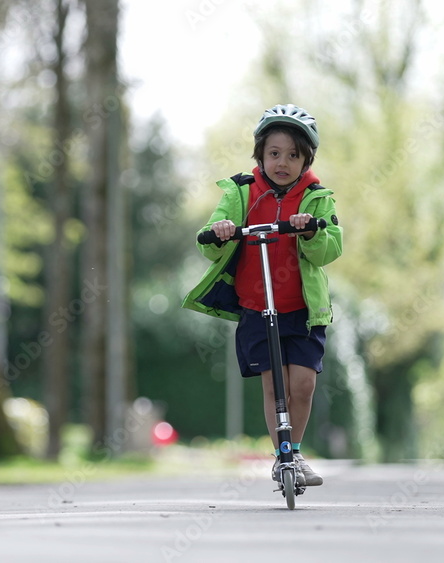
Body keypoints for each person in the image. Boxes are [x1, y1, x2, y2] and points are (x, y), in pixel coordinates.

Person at [182, 104, 343, 486]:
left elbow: (330, 248)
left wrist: (309, 232)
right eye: (274, 153)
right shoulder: (241, 192)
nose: (282, 162)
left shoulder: (317, 198)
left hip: (301, 310)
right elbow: (209, 240)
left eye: (292, 155)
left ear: (306, 160)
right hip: (258, 306)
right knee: (274, 386)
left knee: (302, 385)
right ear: (260, 155)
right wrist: (221, 230)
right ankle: (282, 457)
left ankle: (297, 451)